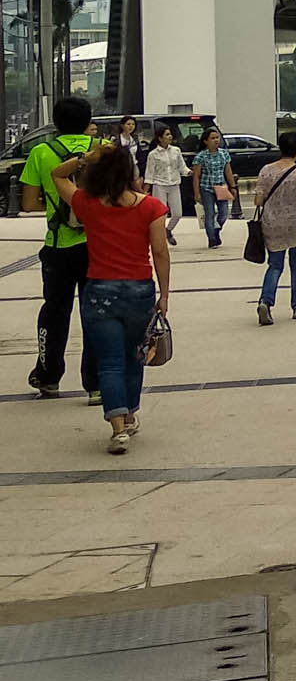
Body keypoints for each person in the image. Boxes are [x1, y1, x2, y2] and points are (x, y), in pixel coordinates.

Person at [49, 144, 170, 454]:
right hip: (139, 291)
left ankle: (118, 429)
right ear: (130, 171)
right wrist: (164, 294)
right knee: (134, 357)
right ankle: (130, 413)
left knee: (110, 362)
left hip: (100, 291)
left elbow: (57, 175)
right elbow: (159, 251)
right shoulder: (152, 207)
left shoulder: (87, 203)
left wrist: (84, 159)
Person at [23, 95, 101, 402]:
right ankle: (95, 384)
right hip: (98, 245)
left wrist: (57, 204)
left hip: (57, 247)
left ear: (56, 122)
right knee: (95, 313)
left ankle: (48, 376)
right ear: (88, 120)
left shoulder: (41, 152)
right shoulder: (104, 150)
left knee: (55, 312)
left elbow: (28, 204)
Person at [253, 131, 296, 325]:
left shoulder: (266, 171)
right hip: (295, 225)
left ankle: (265, 301)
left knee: (275, 265)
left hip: (272, 225)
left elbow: (258, 200)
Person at [143, 126, 188, 247]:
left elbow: (181, 166)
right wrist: (145, 190)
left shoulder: (176, 150)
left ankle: (168, 230)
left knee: (177, 213)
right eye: (167, 135)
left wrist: (189, 172)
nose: (170, 137)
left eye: (170, 134)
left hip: (174, 184)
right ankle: (159, 237)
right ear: (160, 138)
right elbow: (150, 173)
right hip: (159, 185)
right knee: (160, 213)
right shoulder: (153, 154)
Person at [191, 127, 235, 249]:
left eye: (217, 138)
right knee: (209, 214)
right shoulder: (201, 156)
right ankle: (212, 239)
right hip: (207, 188)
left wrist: (233, 187)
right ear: (206, 141)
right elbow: (196, 176)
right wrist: (197, 193)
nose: (216, 140)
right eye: (213, 138)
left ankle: (217, 230)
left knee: (223, 213)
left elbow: (228, 171)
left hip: (221, 186)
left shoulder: (223, 153)